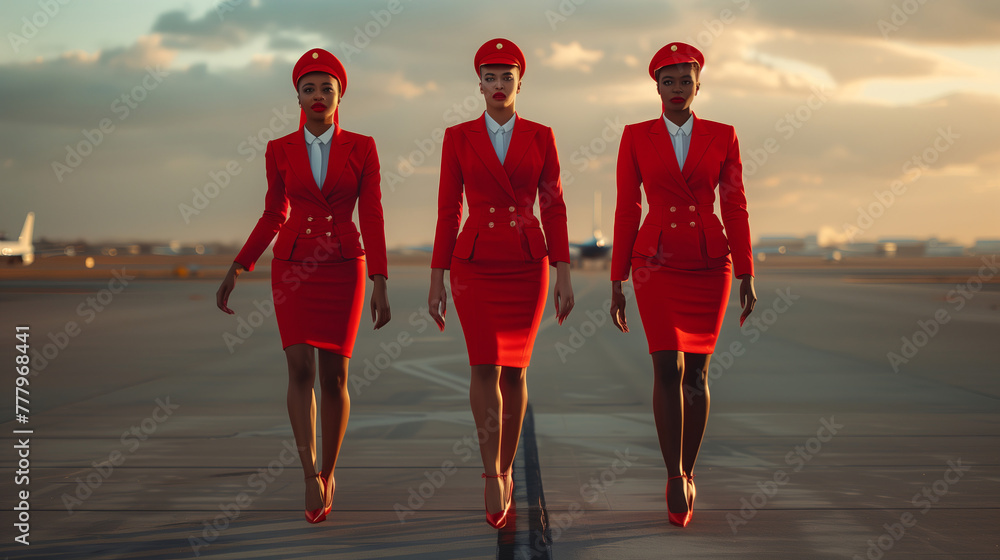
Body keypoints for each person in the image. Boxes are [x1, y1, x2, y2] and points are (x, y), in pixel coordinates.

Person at [216, 48, 390, 524]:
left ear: (340, 95)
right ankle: (308, 474)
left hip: (343, 266)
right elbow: (274, 213)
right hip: (292, 266)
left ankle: (328, 471)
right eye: (309, 88)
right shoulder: (278, 150)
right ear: (296, 95)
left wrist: (380, 279)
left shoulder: (364, 146)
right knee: (298, 370)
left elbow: (372, 215)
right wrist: (240, 264)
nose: (318, 96)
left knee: (335, 376)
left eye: (326, 88)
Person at [609, 42, 757, 528]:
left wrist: (746, 272)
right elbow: (627, 207)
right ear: (656, 86)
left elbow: (734, 204)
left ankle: (689, 468)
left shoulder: (723, 135)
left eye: (685, 81)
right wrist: (618, 278)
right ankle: (674, 475)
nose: (677, 89)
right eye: (668, 81)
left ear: (699, 84)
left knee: (697, 373)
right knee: (664, 367)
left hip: (707, 261)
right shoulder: (634, 136)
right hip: (654, 262)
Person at [428, 38, 573, 529]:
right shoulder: (458, 137)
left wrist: (564, 271)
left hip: (526, 263)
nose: (497, 85)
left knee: (515, 371)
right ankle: (491, 472)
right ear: (479, 84)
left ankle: (506, 465)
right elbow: (448, 210)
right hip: (474, 262)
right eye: (489, 77)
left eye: (506, 76)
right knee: (483, 367)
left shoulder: (541, 135)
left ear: (519, 82)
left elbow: (553, 206)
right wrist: (437, 277)